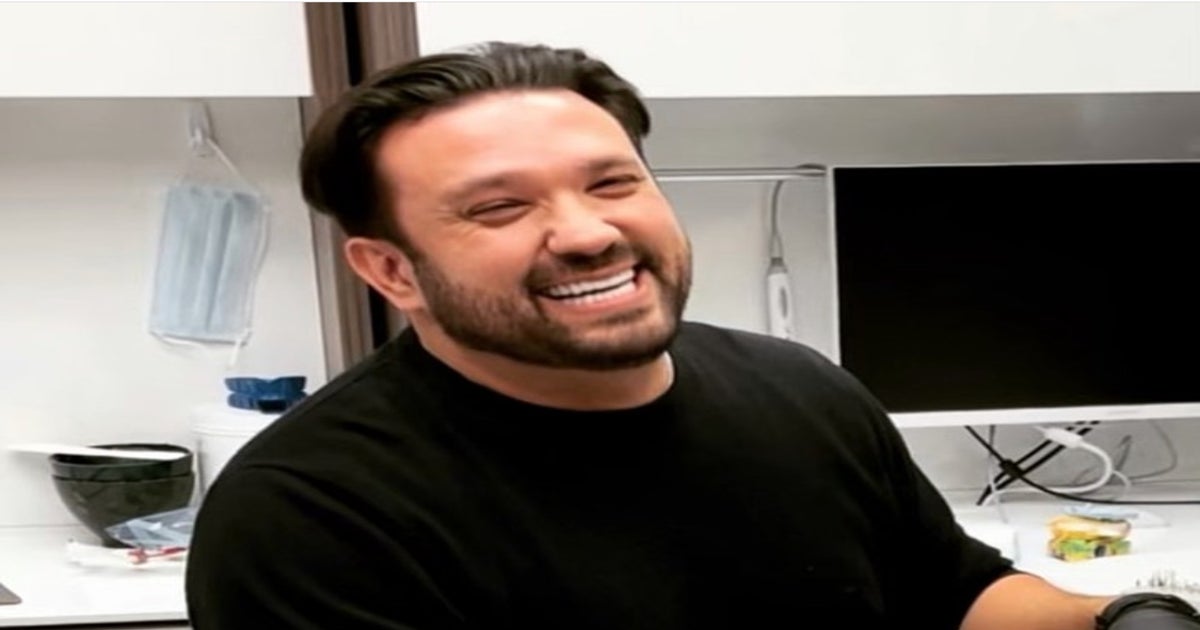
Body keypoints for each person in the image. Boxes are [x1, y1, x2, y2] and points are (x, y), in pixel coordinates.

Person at [185, 42, 1200, 630]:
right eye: (499, 208)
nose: (587, 233)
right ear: (390, 270)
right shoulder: (310, 518)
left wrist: (1136, 617)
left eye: (612, 182)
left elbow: (961, 596)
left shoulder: (798, 390)